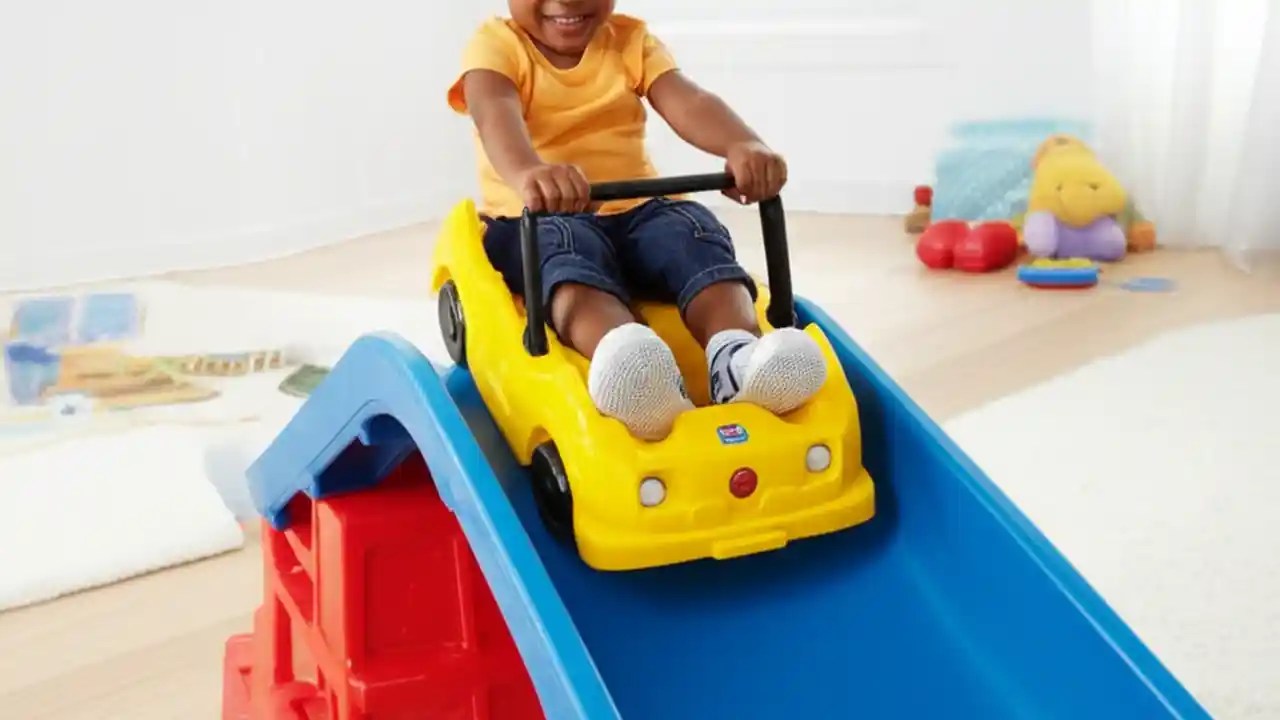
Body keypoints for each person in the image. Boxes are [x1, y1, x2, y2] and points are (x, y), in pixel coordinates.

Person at [447, 0, 827, 441]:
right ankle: (635, 369)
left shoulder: (630, 41)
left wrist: (741, 144)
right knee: (569, 259)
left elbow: (689, 101)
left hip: (637, 207)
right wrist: (529, 172)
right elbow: (495, 112)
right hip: (545, 216)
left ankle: (736, 359)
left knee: (691, 233)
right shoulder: (495, 46)